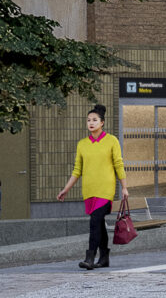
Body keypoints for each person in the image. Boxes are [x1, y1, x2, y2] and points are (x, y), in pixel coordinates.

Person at [55, 104, 128, 270]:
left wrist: (124, 187)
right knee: (99, 222)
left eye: (95, 120)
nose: (91, 123)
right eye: (88, 120)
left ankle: (90, 257)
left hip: (105, 190)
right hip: (89, 190)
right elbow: (77, 170)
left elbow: (118, 164)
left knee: (95, 221)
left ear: (102, 122)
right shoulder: (82, 144)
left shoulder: (111, 141)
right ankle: (104, 257)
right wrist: (66, 189)